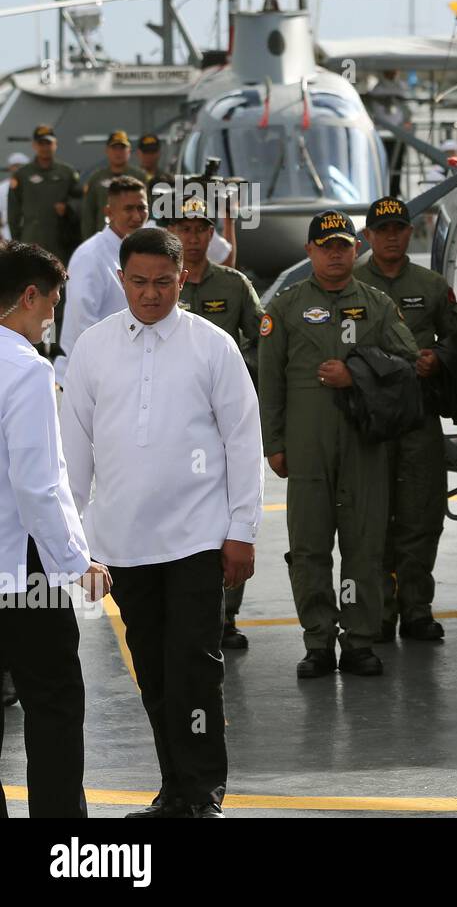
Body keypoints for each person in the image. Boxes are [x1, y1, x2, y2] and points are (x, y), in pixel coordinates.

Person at [61, 227, 261, 819]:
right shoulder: (93, 349)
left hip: (198, 539)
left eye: (164, 283)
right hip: (121, 544)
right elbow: (74, 453)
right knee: (153, 675)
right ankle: (174, 789)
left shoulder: (213, 345)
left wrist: (242, 530)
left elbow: (243, 440)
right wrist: (74, 547)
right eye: (140, 282)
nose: (151, 294)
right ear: (120, 279)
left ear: (183, 279)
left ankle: (202, 794)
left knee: (195, 669)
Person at [258, 210, 418, 679]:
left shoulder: (378, 305)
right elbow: (270, 382)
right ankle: (318, 641)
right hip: (307, 447)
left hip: (363, 442)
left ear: (356, 249)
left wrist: (357, 373)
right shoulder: (284, 308)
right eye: (325, 246)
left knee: (364, 546)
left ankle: (361, 642)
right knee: (307, 547)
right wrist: (275, 443)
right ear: (309, 251)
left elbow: (407, 365)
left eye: (343, 245)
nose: (334, 253)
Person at [0, 241, 110, 818]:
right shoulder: (25, 369)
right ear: (28, 296)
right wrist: (77, 564)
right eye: (52, 301)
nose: (53, 315)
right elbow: (38, 485)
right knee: (54, 704)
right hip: (21, 573)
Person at [354, 195, 457, 643]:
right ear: (368, 235)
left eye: (398, 229)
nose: (391, 237)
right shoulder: (350, 285)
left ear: (410, 232)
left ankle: (417, 608)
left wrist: (437, 360)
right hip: (368, 421)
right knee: (373, 517)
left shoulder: (432, 284)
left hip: (418, 418)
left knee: (422, 514)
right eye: (381, 230)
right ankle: (381, 611)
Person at [159, 194, 264, 650]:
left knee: (227, 514)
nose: (195, 237)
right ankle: (172, 604)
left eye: (202, 229)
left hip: (219, 424)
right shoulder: (160, 287)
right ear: (172, 233)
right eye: (185, 228)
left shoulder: (236, 285)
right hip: (170, 424)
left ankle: (225, 615)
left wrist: (240, 377)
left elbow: (262, 342)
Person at [55, 176, 149, 387]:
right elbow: (83, 323)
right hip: (92, 378)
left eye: (142, 208)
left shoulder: (137, 251)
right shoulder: (91, 255)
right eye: (128, 209)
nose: (137, 216)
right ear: (109, 212)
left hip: (128, 373)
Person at [8, 125, 82, 265]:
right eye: (41, 143)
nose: (45, 147)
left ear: (55, 144)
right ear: (34, 145)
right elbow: (13, 213)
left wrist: (68, 208)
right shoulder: (23, 175)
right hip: (31, 240)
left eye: (48, 143)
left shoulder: (67, 173)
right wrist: (17, 243)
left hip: (60, 242)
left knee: (59, 282)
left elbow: (80, 202)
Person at [79, 130, 146, 244]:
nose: (118, 152)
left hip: (134, 240)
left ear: (129, 151)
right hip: (103, 239)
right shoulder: (96, 178)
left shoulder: (140, 176)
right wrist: (88, 241)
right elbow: (88, 214)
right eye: (114, 148)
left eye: (122, 148)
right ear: (107, 151)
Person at [0, 152, 26, 241]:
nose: (18, 169)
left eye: (21, 166)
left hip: (28, 228)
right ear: (10, 167)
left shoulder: (32, 186)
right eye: (15, 166)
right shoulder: (2, 187)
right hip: (7, 230)